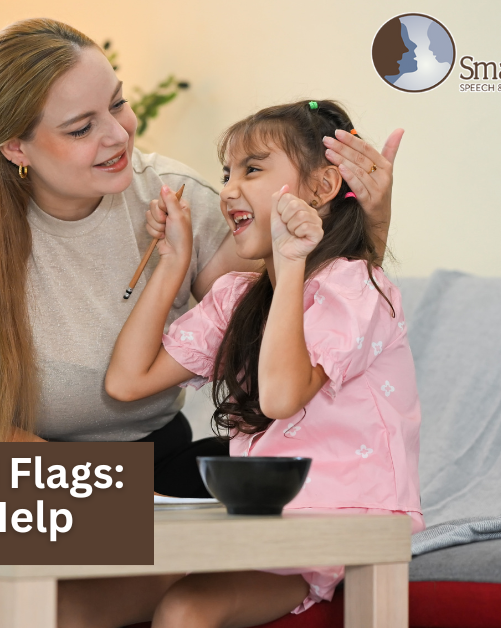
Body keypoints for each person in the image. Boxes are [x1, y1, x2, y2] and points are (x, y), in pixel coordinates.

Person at [0, 16, 401, 627]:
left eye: (118, 104)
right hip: (17, 473)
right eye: (81, 128)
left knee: (265, 480)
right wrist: (112, 501)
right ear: (17, 148)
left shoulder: (171, 196)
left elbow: (296, 304)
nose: (117, 134)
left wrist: (370, 217)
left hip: (155, 466)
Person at [100, 100, 423, 627]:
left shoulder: (354, 287)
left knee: (186, 608)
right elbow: (128, 382)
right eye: (227, 172)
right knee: (66, 607)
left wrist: (291, 260)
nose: (227, 189)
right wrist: (173, 262)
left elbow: (278, 397)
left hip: (335, 526)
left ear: (320, 190)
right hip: (255, 524)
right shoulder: (237, 295)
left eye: (252, 169)